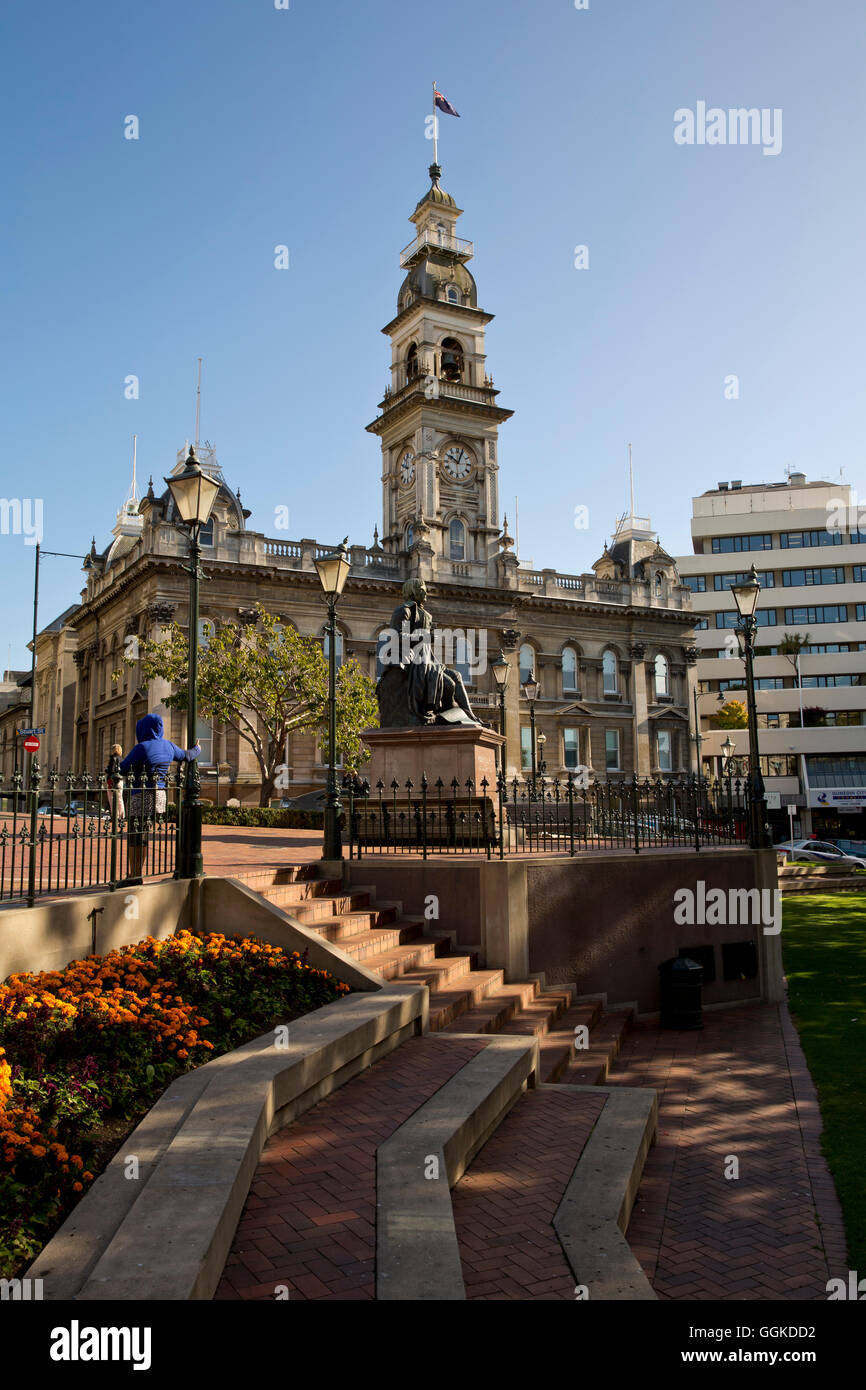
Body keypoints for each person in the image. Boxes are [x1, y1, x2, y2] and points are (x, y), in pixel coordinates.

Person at [120, 713, 200, 877]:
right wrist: (197, 749)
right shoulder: (169, 746)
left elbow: (121, 768)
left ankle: (134, 874)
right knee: (143, 836)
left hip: (140, 796)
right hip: (159, 797)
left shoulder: (141, 747)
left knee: (135, 837)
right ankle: (137, 872)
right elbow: (187, 755)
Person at [105, 742, 125, 823]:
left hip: (112, 780)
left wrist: (106, 770)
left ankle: (115, 816)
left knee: (112, 798)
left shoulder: (113, 758)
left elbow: (110, 770)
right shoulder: (122, 759)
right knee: (120, 798)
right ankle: (122, 816)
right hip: (120, 780)